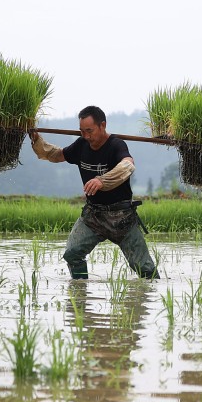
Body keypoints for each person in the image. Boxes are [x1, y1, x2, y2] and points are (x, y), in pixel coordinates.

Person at [29, 105, 160, 280]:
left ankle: (153, 297)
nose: (86, 136)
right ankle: (80, 292)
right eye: (82, 131)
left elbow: (128, 165)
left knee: (146, 270)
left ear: (103, 125)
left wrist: (102, 180)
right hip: (94, 215)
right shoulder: (81, 145)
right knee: (72, 254)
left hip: (121, 218)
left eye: (89, 131)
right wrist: (37, 140)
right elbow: (56, 155)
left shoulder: (116, 145)